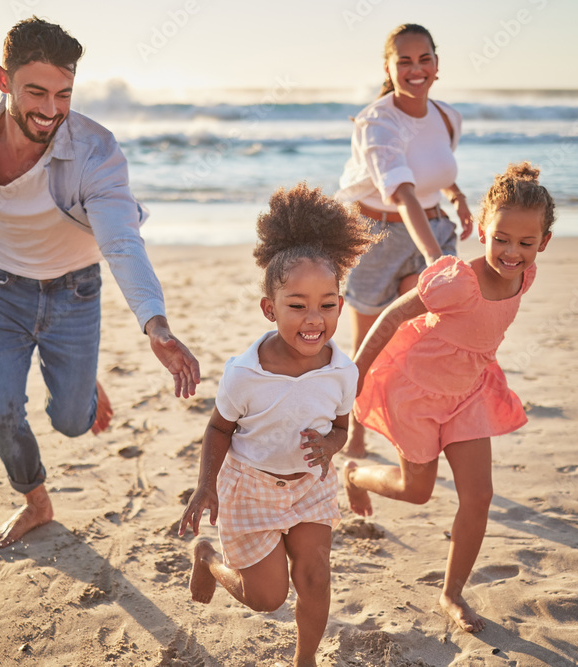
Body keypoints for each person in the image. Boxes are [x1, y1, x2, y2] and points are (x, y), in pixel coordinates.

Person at [0, 18, 200, 549]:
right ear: (4, 81)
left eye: (64, 94)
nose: (51, 109)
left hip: (75, 293)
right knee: (2, 411)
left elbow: (121, 241)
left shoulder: (95, 151)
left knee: (72, 423)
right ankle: (35, 500)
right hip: (3, 289)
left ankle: (80, 380)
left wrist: (155, 324)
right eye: (36, 92)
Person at [343, 162, 555, 633]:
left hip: (469, 394)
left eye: (525, 242)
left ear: (543, 242)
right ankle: (355, 473)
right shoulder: (456, 278)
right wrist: (356, 373)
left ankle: (451, 593)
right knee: (416, 491)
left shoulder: (525, 276)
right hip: (415, 394)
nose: (511, 252)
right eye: (501, 238)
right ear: (481, 229)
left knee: (478, 496)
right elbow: (392, 317)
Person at [178, 183, 380, 667]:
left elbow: (341, 426)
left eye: (328, 304)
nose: (315, 319)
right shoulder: (245, 373)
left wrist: (330, 447)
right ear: (270, 308)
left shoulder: (341, 370)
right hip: (250, 488)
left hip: (310, 487)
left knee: (314, 574)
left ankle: (304, 660)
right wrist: (206, 486)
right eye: (297, 305)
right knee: (267, 597)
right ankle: (207, 558)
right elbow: (219, 429)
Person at [335, 23, 474, 458]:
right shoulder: (377, 122)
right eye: (405, 61)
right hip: (378, 237)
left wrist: (458, 197)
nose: (416, 69)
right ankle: (354, 432)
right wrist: (435, 259)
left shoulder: (448, 116)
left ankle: (414, 429)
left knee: (424, 341)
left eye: (424, 59)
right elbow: (403, 192)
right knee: (370, 344)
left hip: (432, 227)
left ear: (437, 64)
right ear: (388, 68)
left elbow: (435, 171)